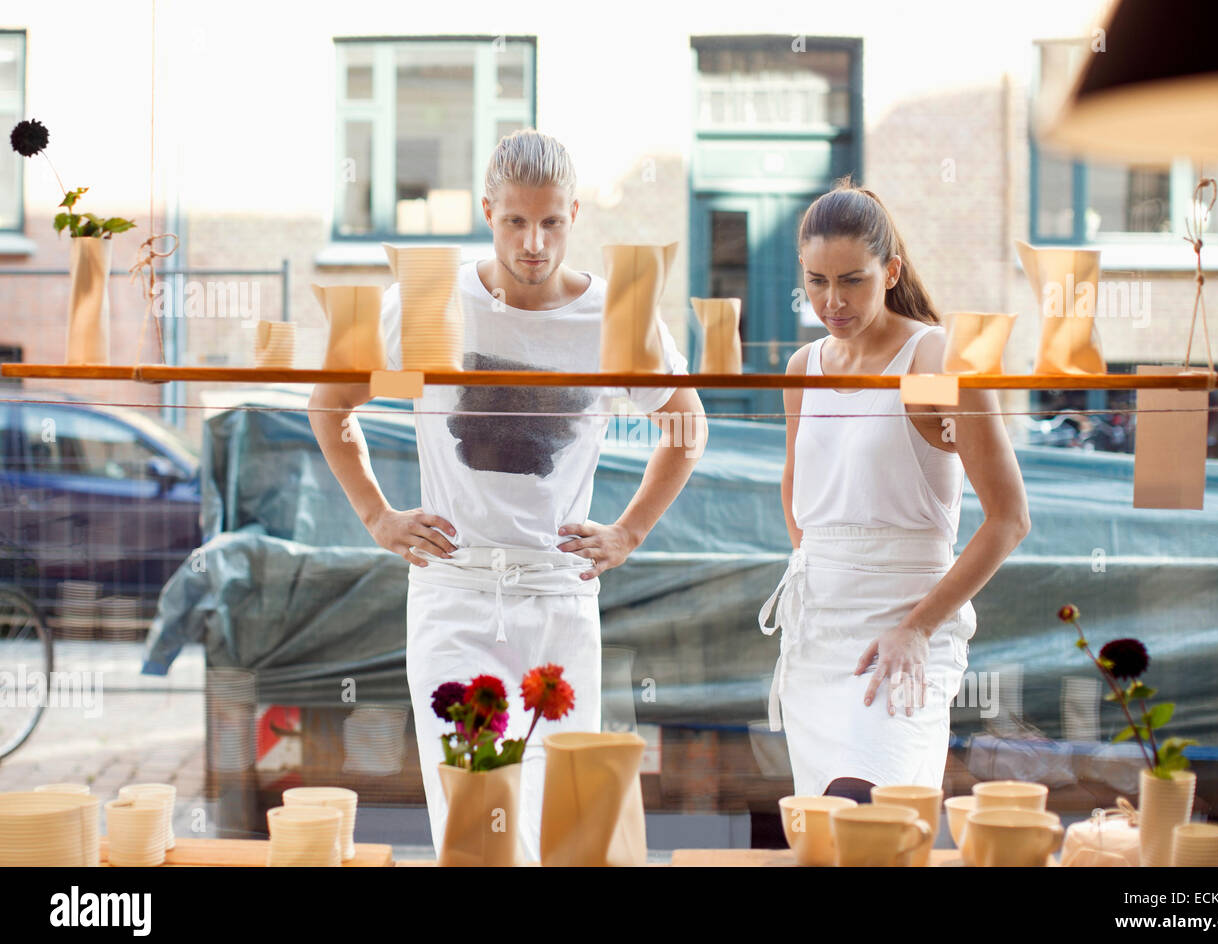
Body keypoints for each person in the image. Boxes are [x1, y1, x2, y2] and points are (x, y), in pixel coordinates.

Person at [308, 128, 707, 860]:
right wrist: (376, 515)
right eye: (515, 221)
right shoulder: (432, 298)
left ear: (576, 214)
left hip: (558, 597)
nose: (533, 243)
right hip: (453, 592)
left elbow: (686, 427)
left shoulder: (615, 312)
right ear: (488, 211)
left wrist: (629, 533)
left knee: (563, 825)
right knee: (474, 811)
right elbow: (330, 401)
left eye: (551, 221)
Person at [759, 177, 1030, 800]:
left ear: (890, 271)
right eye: (817, 281)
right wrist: (824, 569)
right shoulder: (804, 369)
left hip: (906, 633)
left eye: (852, 279)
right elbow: (796, 488)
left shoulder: (931, 362)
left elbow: (1008, 519)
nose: (833, 301)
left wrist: (917, 626)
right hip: (819, 639)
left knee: (867, 814)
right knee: (826, 833)